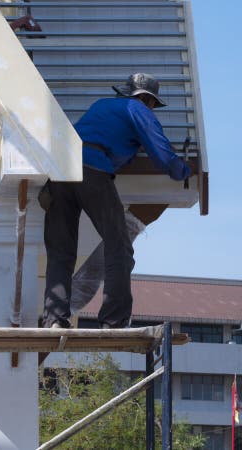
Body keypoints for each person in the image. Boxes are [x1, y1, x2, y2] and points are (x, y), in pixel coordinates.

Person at [43, 73, 191, 329]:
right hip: (92, 169)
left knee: (61, 251)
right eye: (153, 104)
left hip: (59, 170)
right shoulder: (138, 109)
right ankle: (114, 320)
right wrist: (182, 170)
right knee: (119, 246)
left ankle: (54, 319)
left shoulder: (102, 105)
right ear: (148, 99)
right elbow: (163, 155)